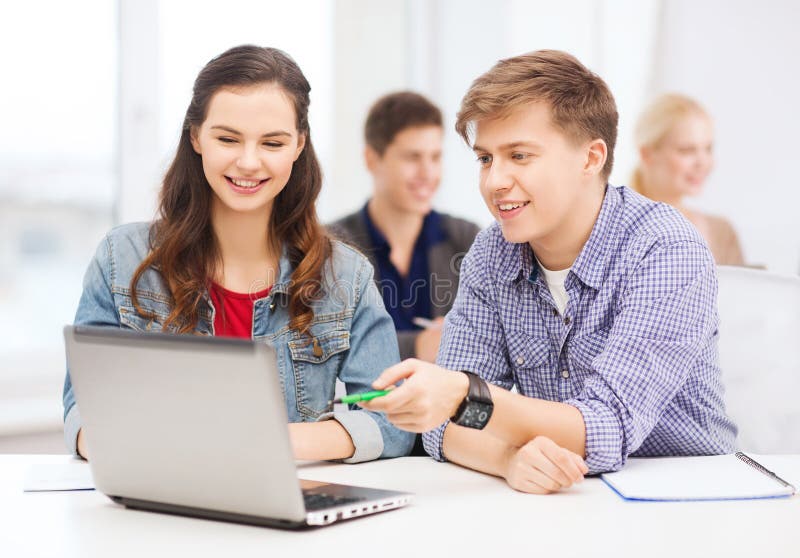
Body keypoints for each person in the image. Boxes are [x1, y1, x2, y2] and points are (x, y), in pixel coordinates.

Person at [360, 50, 737, 494]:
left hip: (693, 497)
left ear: (591, 158)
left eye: (519, 156)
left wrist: (467, 396)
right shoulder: (492, 251)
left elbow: (605, 427)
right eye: (485, 158)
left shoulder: (664, 248)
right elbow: (444, 428)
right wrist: (508, 458)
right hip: (568, 499)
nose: (494, 181)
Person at [62, 45, 414, 463]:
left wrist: (256, 443)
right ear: (196, 137)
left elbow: (391, 424)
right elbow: (83, 415)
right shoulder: (123, 259)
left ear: (299, 145)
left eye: (272, 142)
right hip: (161, 504)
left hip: (287, 507)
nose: (249, 162)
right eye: (228, 138)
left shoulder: (346, 276)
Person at [329, 92, 480, 363]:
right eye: (413, 158)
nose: (428, 173)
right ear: (372, 160)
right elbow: (328, 342)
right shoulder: (332, 244)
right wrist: (418, 346)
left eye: (435, 158)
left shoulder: (465, 239)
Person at [631, 93, 744, 265]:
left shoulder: (722, 233)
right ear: (646, 154)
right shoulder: (611, 227)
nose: (703, 162)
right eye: (687, 150)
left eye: (708, 149)